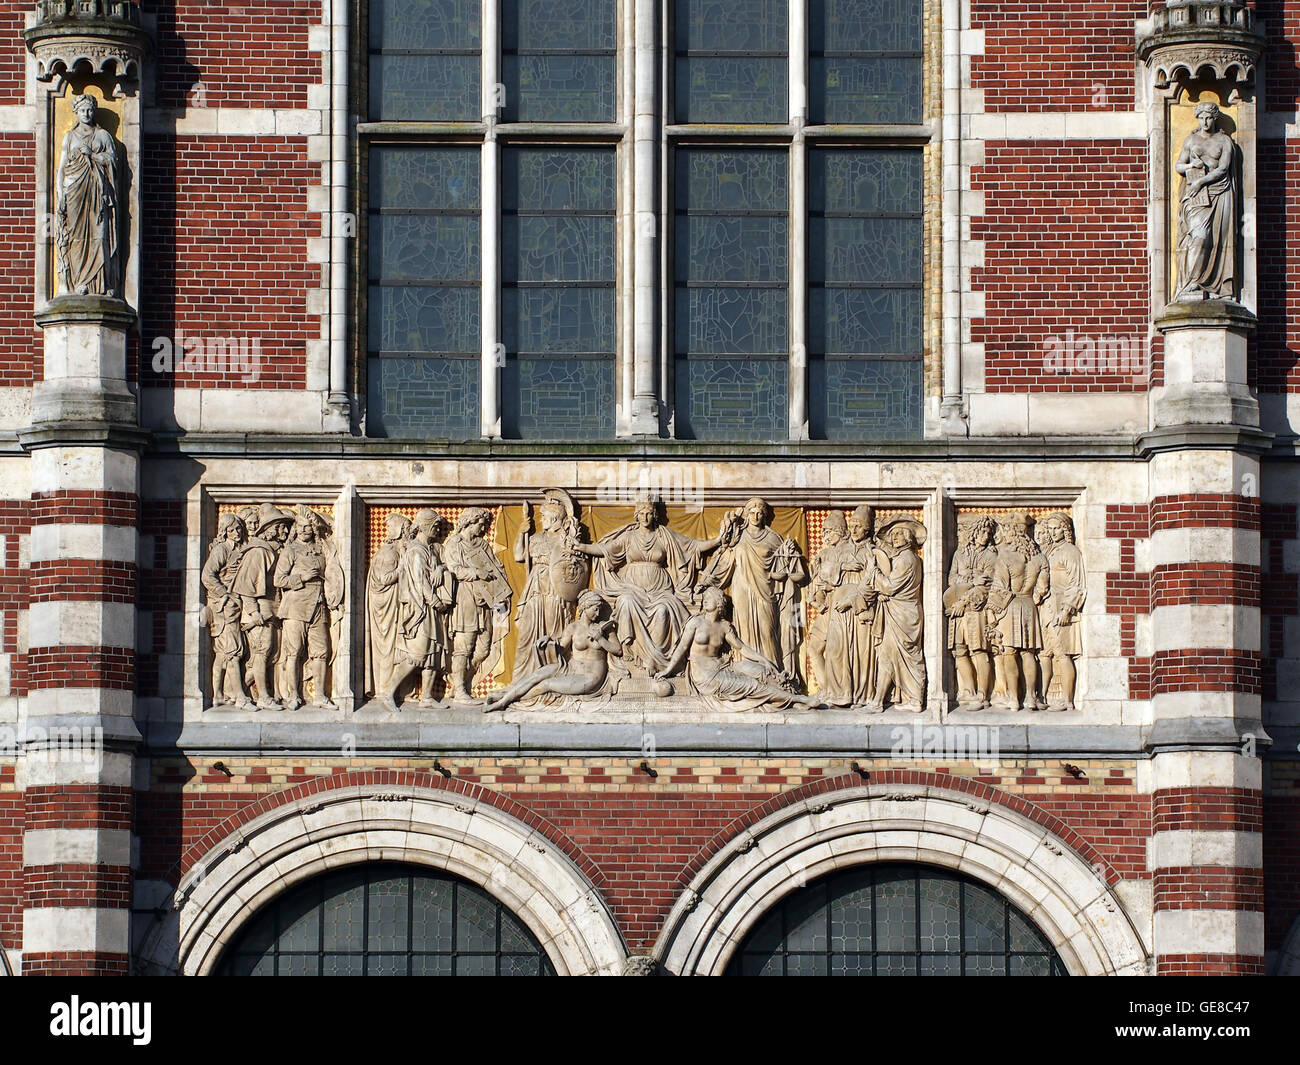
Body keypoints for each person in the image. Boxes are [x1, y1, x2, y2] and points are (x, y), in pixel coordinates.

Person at [592, 498, 727, 674]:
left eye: (649, 513)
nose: (645, 517)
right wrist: (580, 546)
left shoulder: (664, 535)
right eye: (642, 513)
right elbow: (604, 550)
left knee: (664, 610)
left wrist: (717, 541)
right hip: (632, 587)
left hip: (660, 589)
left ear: (654, 514)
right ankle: (630, 654)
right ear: (636, 515)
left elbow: (691, 546)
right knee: (625, 602)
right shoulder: (629, 537)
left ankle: (654, 659)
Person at [655, 587, 820, 713]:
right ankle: (798, 699)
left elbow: (741, 647)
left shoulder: (724, 626)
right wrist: (668, 670)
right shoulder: (696, 623)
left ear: (719, 602)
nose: (705, 600)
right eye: (704, 598)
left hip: (724, 666)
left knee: (761, 671)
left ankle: (791, 700)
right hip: (706, 676)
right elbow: (682, 648)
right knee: (753, 686)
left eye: (709, 597)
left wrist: (763, 660)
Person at [484, 591, 626, 713]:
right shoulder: (573, 628)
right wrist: (549, 641)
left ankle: (503, 702)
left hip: (591, 676)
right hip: (570, 667)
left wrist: (601, 639)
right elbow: (562, 647)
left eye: (599, 609)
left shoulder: (604, 627)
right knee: (537, 674)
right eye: (595, 609)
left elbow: (618, 650)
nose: (598, 613)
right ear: (585, 607)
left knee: (546, 684)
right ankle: (504, 694)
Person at [443, 508, 512, 703]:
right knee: (464, 646)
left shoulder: (481, 544)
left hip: (486, 599)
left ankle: (459, 680)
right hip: (465, 598)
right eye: (480, 524)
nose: (483, 529)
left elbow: (495, 566)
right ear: (469, 522)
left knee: (484, 648)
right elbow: (454, 568)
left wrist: (502, 588)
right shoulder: (454, 544)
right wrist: (476, 573)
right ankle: (460, 690)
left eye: (485, 525)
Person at [55, 94, 119, 297]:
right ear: (76, 112)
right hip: (74, 191)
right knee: (75, 237)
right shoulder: (69, 136)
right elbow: (62, 169)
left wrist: (92, 155)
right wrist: (60, 194)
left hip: (98, 192)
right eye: (82, 110)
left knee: (99, 236)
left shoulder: (103, 136)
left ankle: (99, 284)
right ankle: (79, 282)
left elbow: (113, 162)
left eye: (90, 110)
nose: (86, 114)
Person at [274, 506, 337, 710]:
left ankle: (319, 695)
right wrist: (302, 577)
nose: (303, 530)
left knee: (322, 651)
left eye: (307, 526)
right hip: (296, 606)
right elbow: (278, 579)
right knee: (294, 652)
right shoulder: (290, 550)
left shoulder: (321, 549)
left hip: (319, 605)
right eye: (300, 526)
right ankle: (294, 695)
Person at [1174, 101, 1238, 301]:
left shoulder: (1224, 141)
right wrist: (1191, 165)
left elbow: (1223, 168)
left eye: (1209, 117)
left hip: (1220, 193)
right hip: (1197, 197)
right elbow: (1179, 166)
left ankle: (1215, 285)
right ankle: (1192, 282)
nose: (1205, 122)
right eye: (1201, 117)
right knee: (1199, 236)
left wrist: (1201, 181)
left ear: (1215, 118)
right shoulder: (1191, 140)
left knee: (1217, 240)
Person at [872, 520, 927, 713]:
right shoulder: (911, 558)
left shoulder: (906, 559)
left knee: (908, 657)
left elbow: (889, 586)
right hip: (900, 612)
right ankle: (879, 701)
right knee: (889, 656)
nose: (893, 537)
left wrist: (875, 572)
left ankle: (916, 699)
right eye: (892, 534)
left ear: (908, 537)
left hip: (903, 615)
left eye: (898, 534)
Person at [202, 514, 254, 711]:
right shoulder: (221, 550)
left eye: (239, 528)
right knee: (233, 651)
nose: (237, 533)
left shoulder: (240, 549)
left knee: (223, 654)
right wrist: (224, 593)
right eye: (232, 530)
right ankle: (240, 696)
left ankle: (218, 695)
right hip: (222, 607)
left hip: (234, 606)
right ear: (225, 532)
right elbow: (207, 575)